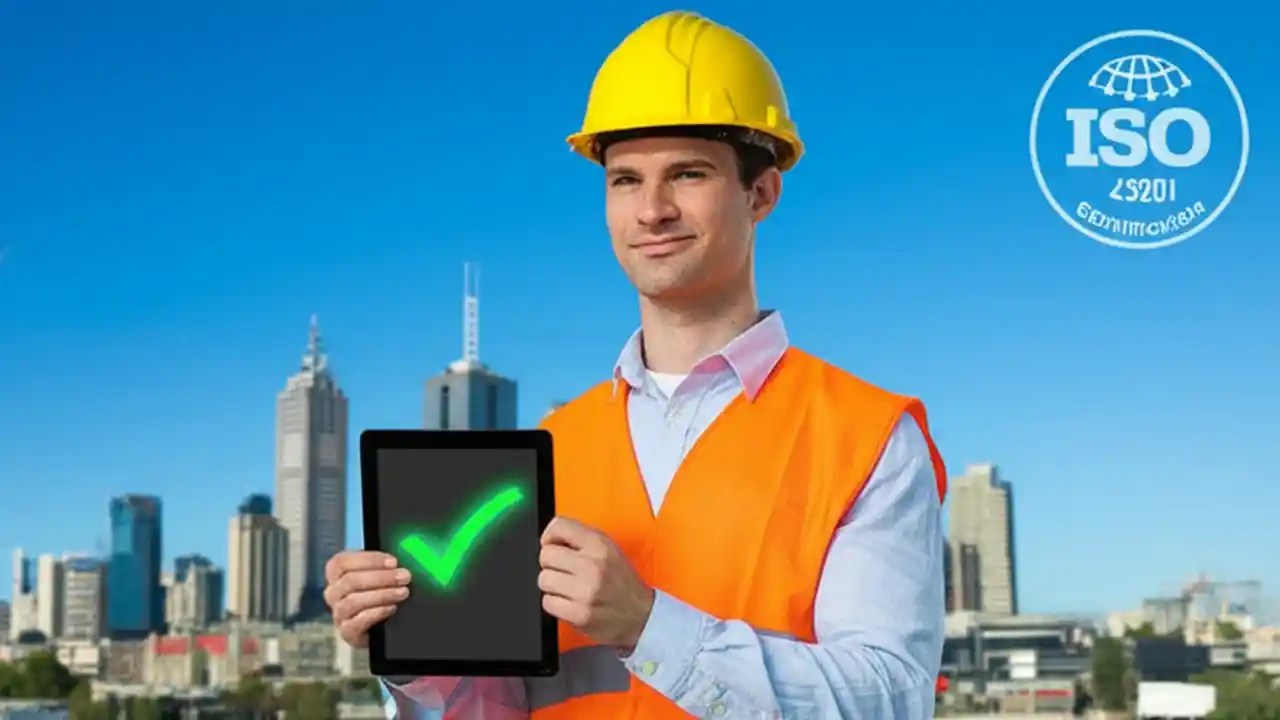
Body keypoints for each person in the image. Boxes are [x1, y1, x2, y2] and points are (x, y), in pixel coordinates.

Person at [324, 10, 948, 719]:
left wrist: (649, 626)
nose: (651, 210)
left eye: (687, 174)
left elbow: (890, 701)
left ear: (761, 192)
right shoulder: (553, 446)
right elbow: (503, 708)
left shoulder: (866, 440)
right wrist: (412, 658)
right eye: (624, 180)